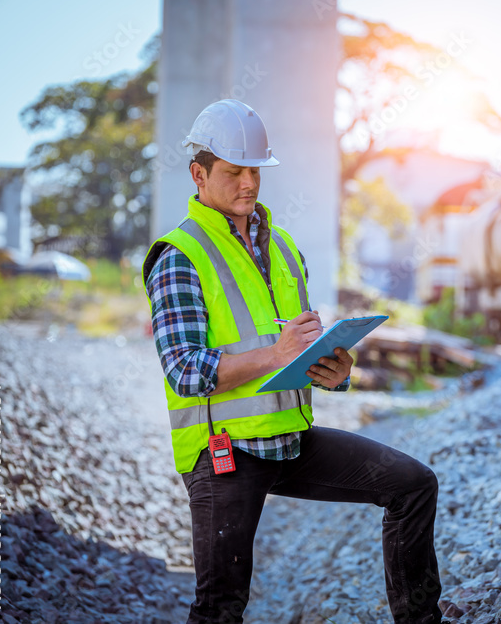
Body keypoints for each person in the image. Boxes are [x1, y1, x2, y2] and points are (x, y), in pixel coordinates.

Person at [141, 99, 443, 624]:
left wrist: (334, 371)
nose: (249, 184)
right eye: (234, 172)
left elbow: (295, 345)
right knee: (220, 606)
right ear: (198, 174)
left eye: (255, 171)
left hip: (289, 439)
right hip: (224, 453)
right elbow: (185, 371)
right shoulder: (179, 256)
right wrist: (275, 354)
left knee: (413, 485)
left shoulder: (282, 247)